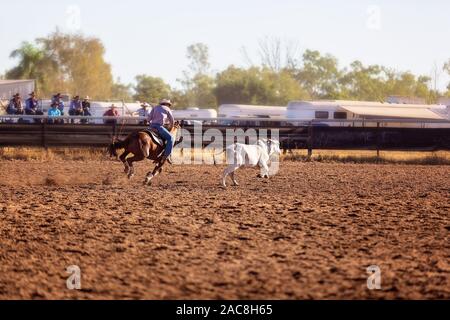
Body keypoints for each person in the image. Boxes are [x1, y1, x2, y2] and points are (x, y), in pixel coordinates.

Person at [147, 99, 175, 164]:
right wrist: (171, 127)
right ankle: (165, 156)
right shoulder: (167, 109)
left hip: (151, 127)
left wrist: (151, 124)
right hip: (159, 127)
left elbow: (148, 119)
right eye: (169, 105)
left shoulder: (155, 108)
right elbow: (172, 120)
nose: (169, 106)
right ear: (167, 104)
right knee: (171, 138)